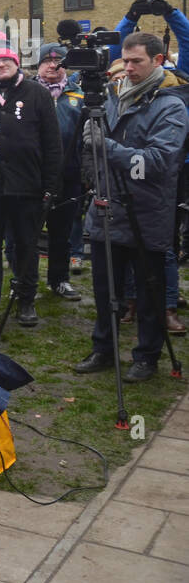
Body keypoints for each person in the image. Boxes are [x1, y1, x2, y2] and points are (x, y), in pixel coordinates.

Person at [76, 32, 189, 381]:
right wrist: (94, 170)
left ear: (157, 60)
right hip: (106, 207)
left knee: (149, 289)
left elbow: (155, 162)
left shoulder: (171, 105)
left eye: (136, 61)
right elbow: (91, 146)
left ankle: (146, 356)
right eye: (125, 60)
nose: (128, 67)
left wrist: (107, 148)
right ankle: (103, 349)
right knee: (104, 289)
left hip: (147, 212)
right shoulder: (111, 96)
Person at [0, 38, 61, 328]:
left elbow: (52, 143)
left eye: (7, 61)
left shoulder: (37, 93)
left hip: (28, 186)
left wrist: (51, 185)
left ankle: (26, 300)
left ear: (17, 64)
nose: (2, 65)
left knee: (27, 246)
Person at [35, 44, 85, 303]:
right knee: (26, 234)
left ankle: (59, 279)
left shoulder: (79, 94)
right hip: (33, 176)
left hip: (69, 175)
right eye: (46, 61)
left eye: (57, 62)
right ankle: (24, 283)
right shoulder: (28, 92)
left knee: (62, 233)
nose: (52, 66)